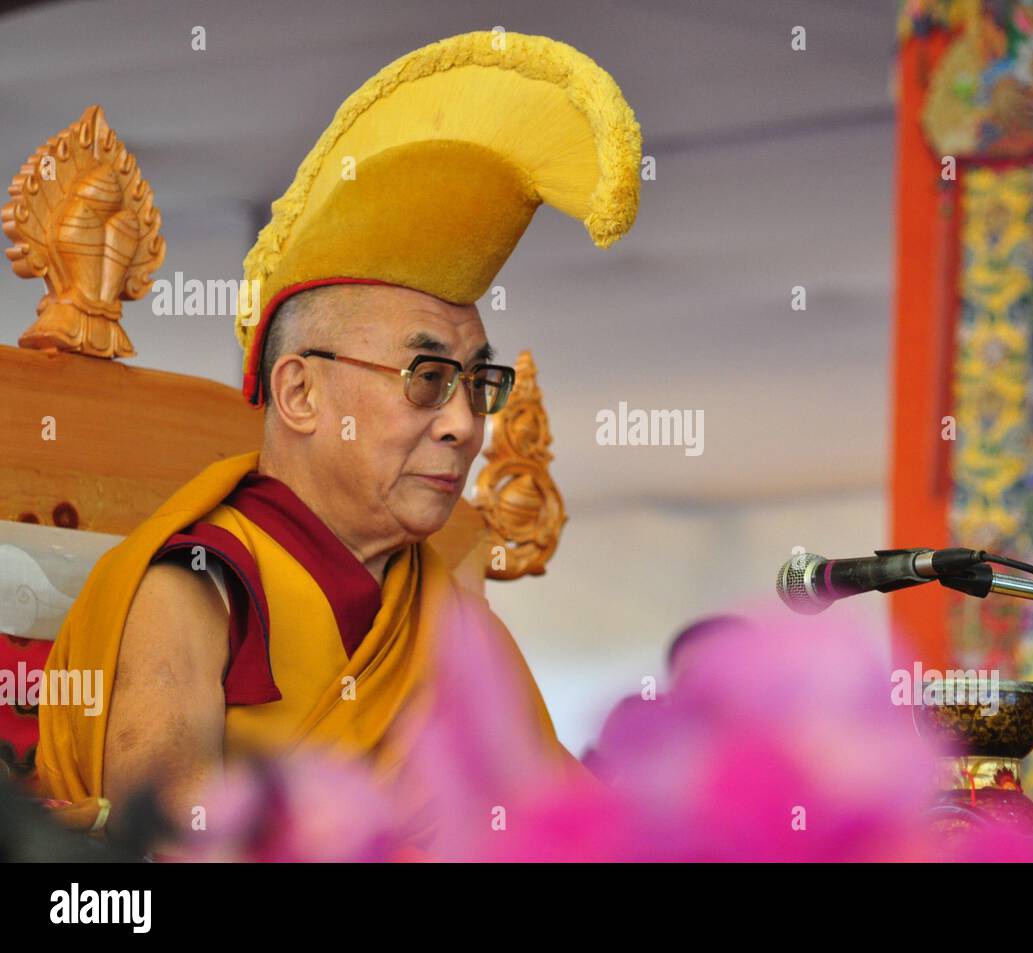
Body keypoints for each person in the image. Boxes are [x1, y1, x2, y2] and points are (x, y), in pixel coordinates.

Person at [36, 30, 642, 833]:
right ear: (299, 390)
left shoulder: (453, 625)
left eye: (477, 384)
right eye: (426, 379)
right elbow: (171, 854)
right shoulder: (194, 587)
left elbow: (575, 837)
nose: (464, 424)